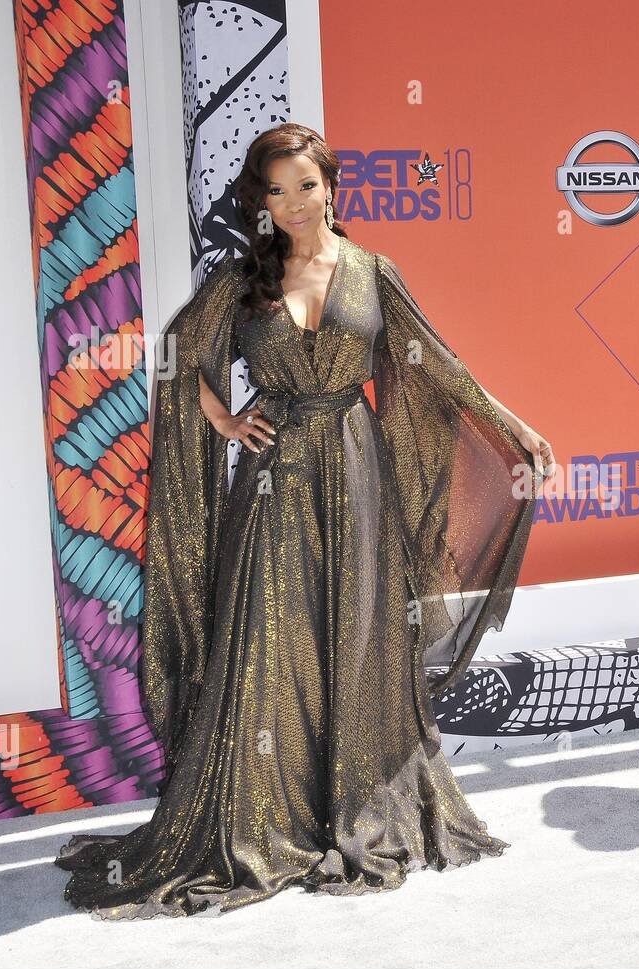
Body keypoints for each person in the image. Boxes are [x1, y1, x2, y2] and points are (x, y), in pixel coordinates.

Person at [55, 123, 555, 917]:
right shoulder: (243, 277)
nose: (292, 203)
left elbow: (437, 363)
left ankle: (351, 804)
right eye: (276, 190)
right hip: (274, 476)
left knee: (356, 634)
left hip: (357, 471)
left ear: (331, 185)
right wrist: (221, 420)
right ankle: (266, 813)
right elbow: (178, 354)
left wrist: (515, 425)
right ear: (263, 201)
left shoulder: (371, 271)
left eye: (306, 185)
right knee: (270, 639)